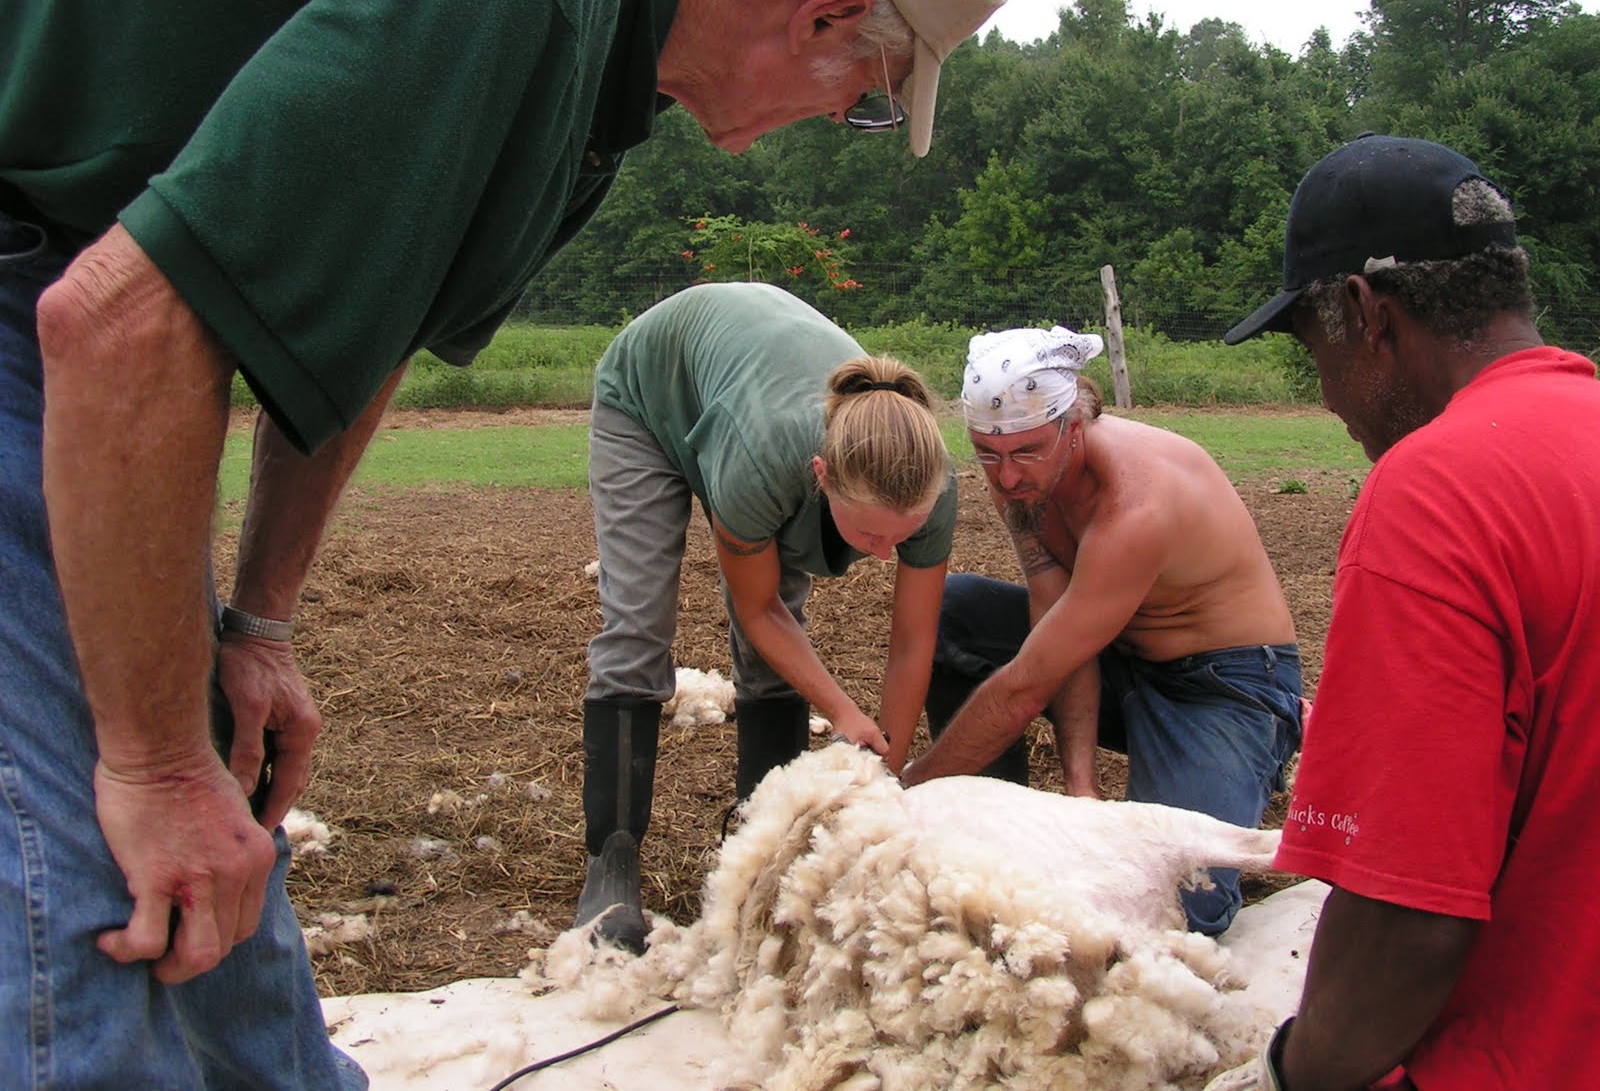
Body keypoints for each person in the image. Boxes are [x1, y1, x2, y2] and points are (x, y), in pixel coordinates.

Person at [0, 0, 1013, 1084]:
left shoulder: (597, 74)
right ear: (824, 17)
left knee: (216, 815)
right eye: (872, 97)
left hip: (81, 266)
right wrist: (158, 765)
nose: (847, 116)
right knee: (93, 869)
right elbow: (114, 328)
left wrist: (257, 624)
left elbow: (369, 326)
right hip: (45, 263)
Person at [1205, 135, 1600, 1090]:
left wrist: (1295, 1074)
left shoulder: (1440, 493)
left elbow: (1410, 915)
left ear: (1365, 313)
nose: (1332, 399)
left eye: (1315, 358)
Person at [579, 281, 957, 951]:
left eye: (904, 534)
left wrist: (883, 768)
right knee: (639, 626)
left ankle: (765, 852)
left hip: (746, 393)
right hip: (651, 399)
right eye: (870, 536)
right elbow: (758, 609)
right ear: (821, 476)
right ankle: (610, 865)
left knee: (772, 662)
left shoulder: (927, 479)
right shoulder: (768, 458)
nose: (887, 551)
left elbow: (913, 639)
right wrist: (843, 710)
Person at [901, 325, 1304, 935]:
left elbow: (1025, 689)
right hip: (1117, 650)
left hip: (1222, 684)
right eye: (987, 452)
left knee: (1174, 906)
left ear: (1074, 427)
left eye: (1026, 452)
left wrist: (901, 796)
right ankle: (983, 829)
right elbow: (1055, 624)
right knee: (957, 611)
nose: (1006, 477)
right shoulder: (1024, 472)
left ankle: (1270, 735)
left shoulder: (1137, 506)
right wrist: (1080, 786)